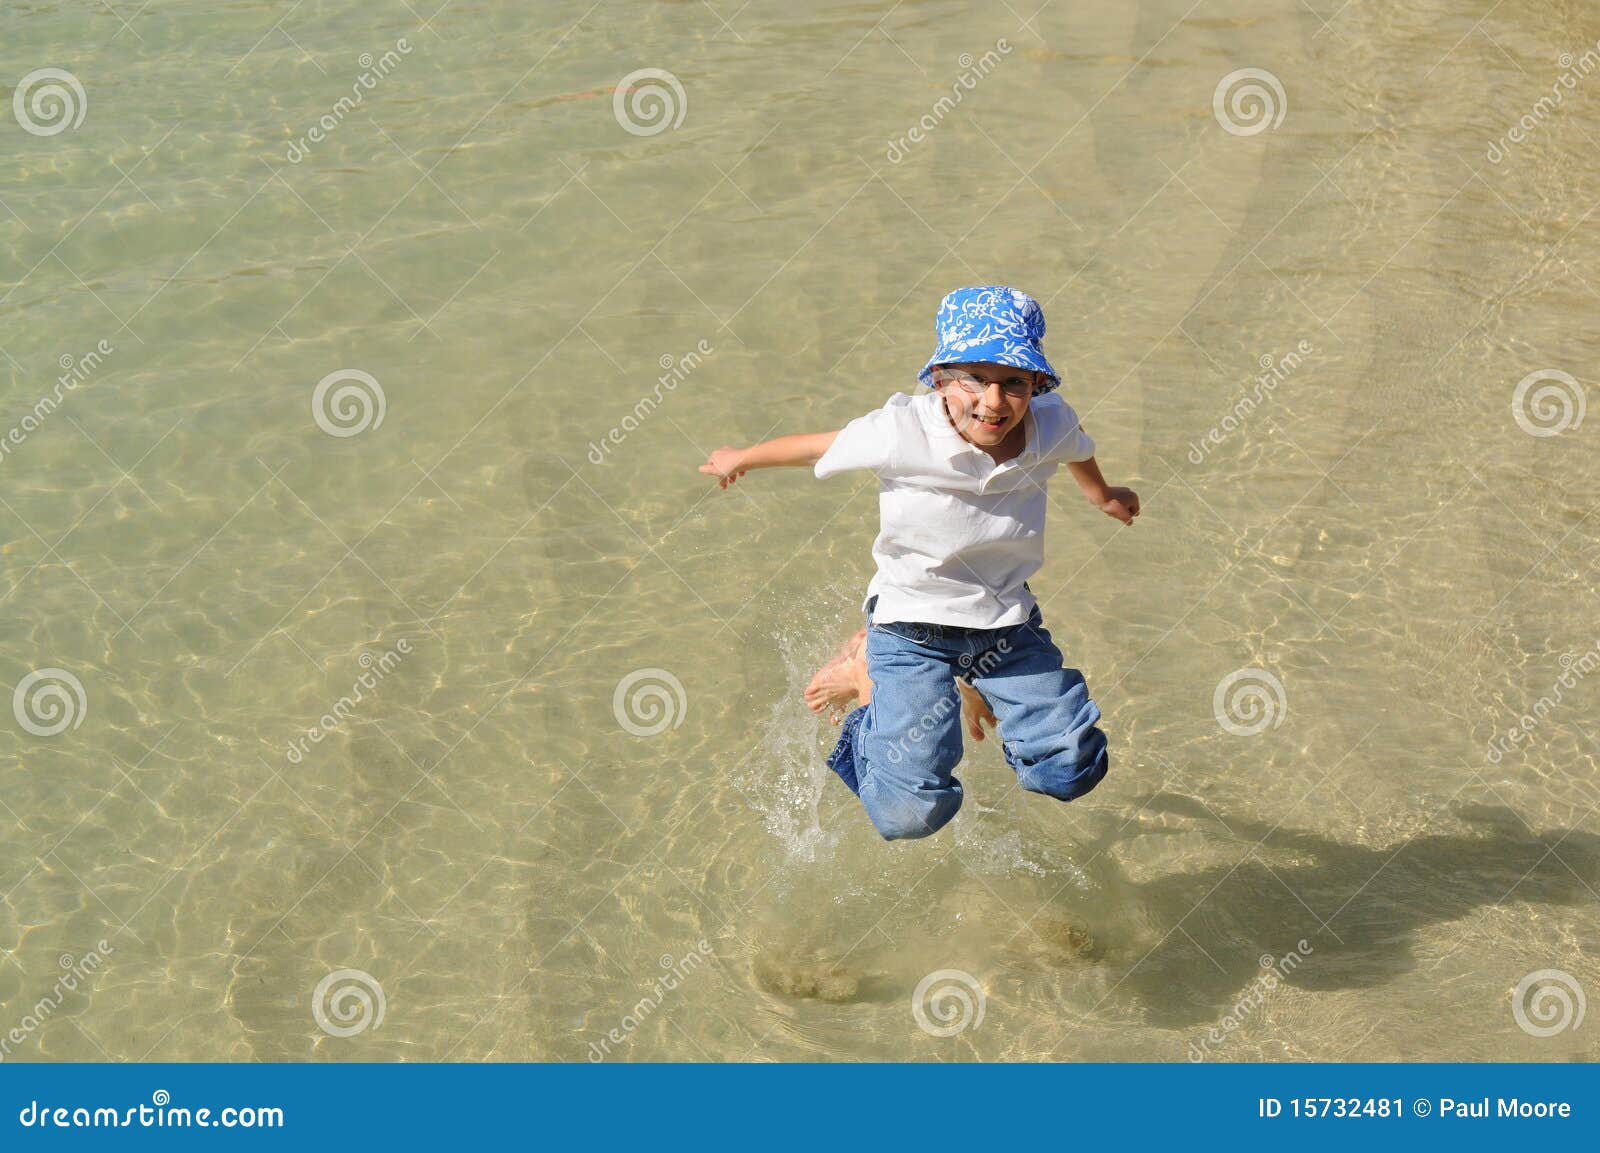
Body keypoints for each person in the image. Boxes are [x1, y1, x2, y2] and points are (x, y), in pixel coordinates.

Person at [698, 285, 1140, 840]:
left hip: (1003, 625)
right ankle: (866, 683)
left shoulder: (1049, 423)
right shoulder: (901, 430)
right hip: (909, 629)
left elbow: (1078, 448)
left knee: (1071, 767)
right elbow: (817, 446)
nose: (994, 402)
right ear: (938, 380)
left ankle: (972, 680)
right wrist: (742, 457)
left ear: (1037, 386)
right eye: (973, 379)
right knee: (908, 815)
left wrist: (1102, 497)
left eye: (1014, 384)